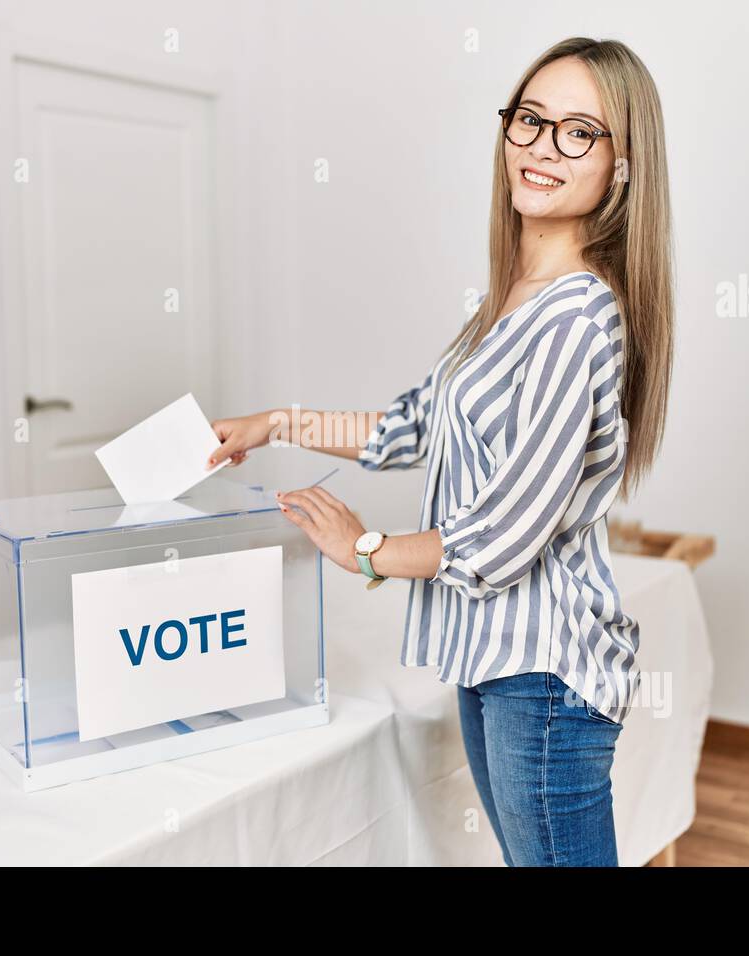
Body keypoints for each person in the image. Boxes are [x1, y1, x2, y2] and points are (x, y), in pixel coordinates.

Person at [208, 36, 674, 867]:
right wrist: (272, 424)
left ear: (624, 165)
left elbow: (501, 539)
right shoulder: (512, 304)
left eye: (578, 132)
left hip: (547, 678)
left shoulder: (576, 320)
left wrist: (364, 551)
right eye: (530, 119)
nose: (541, 146)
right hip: (493, 662)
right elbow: (411, 427)